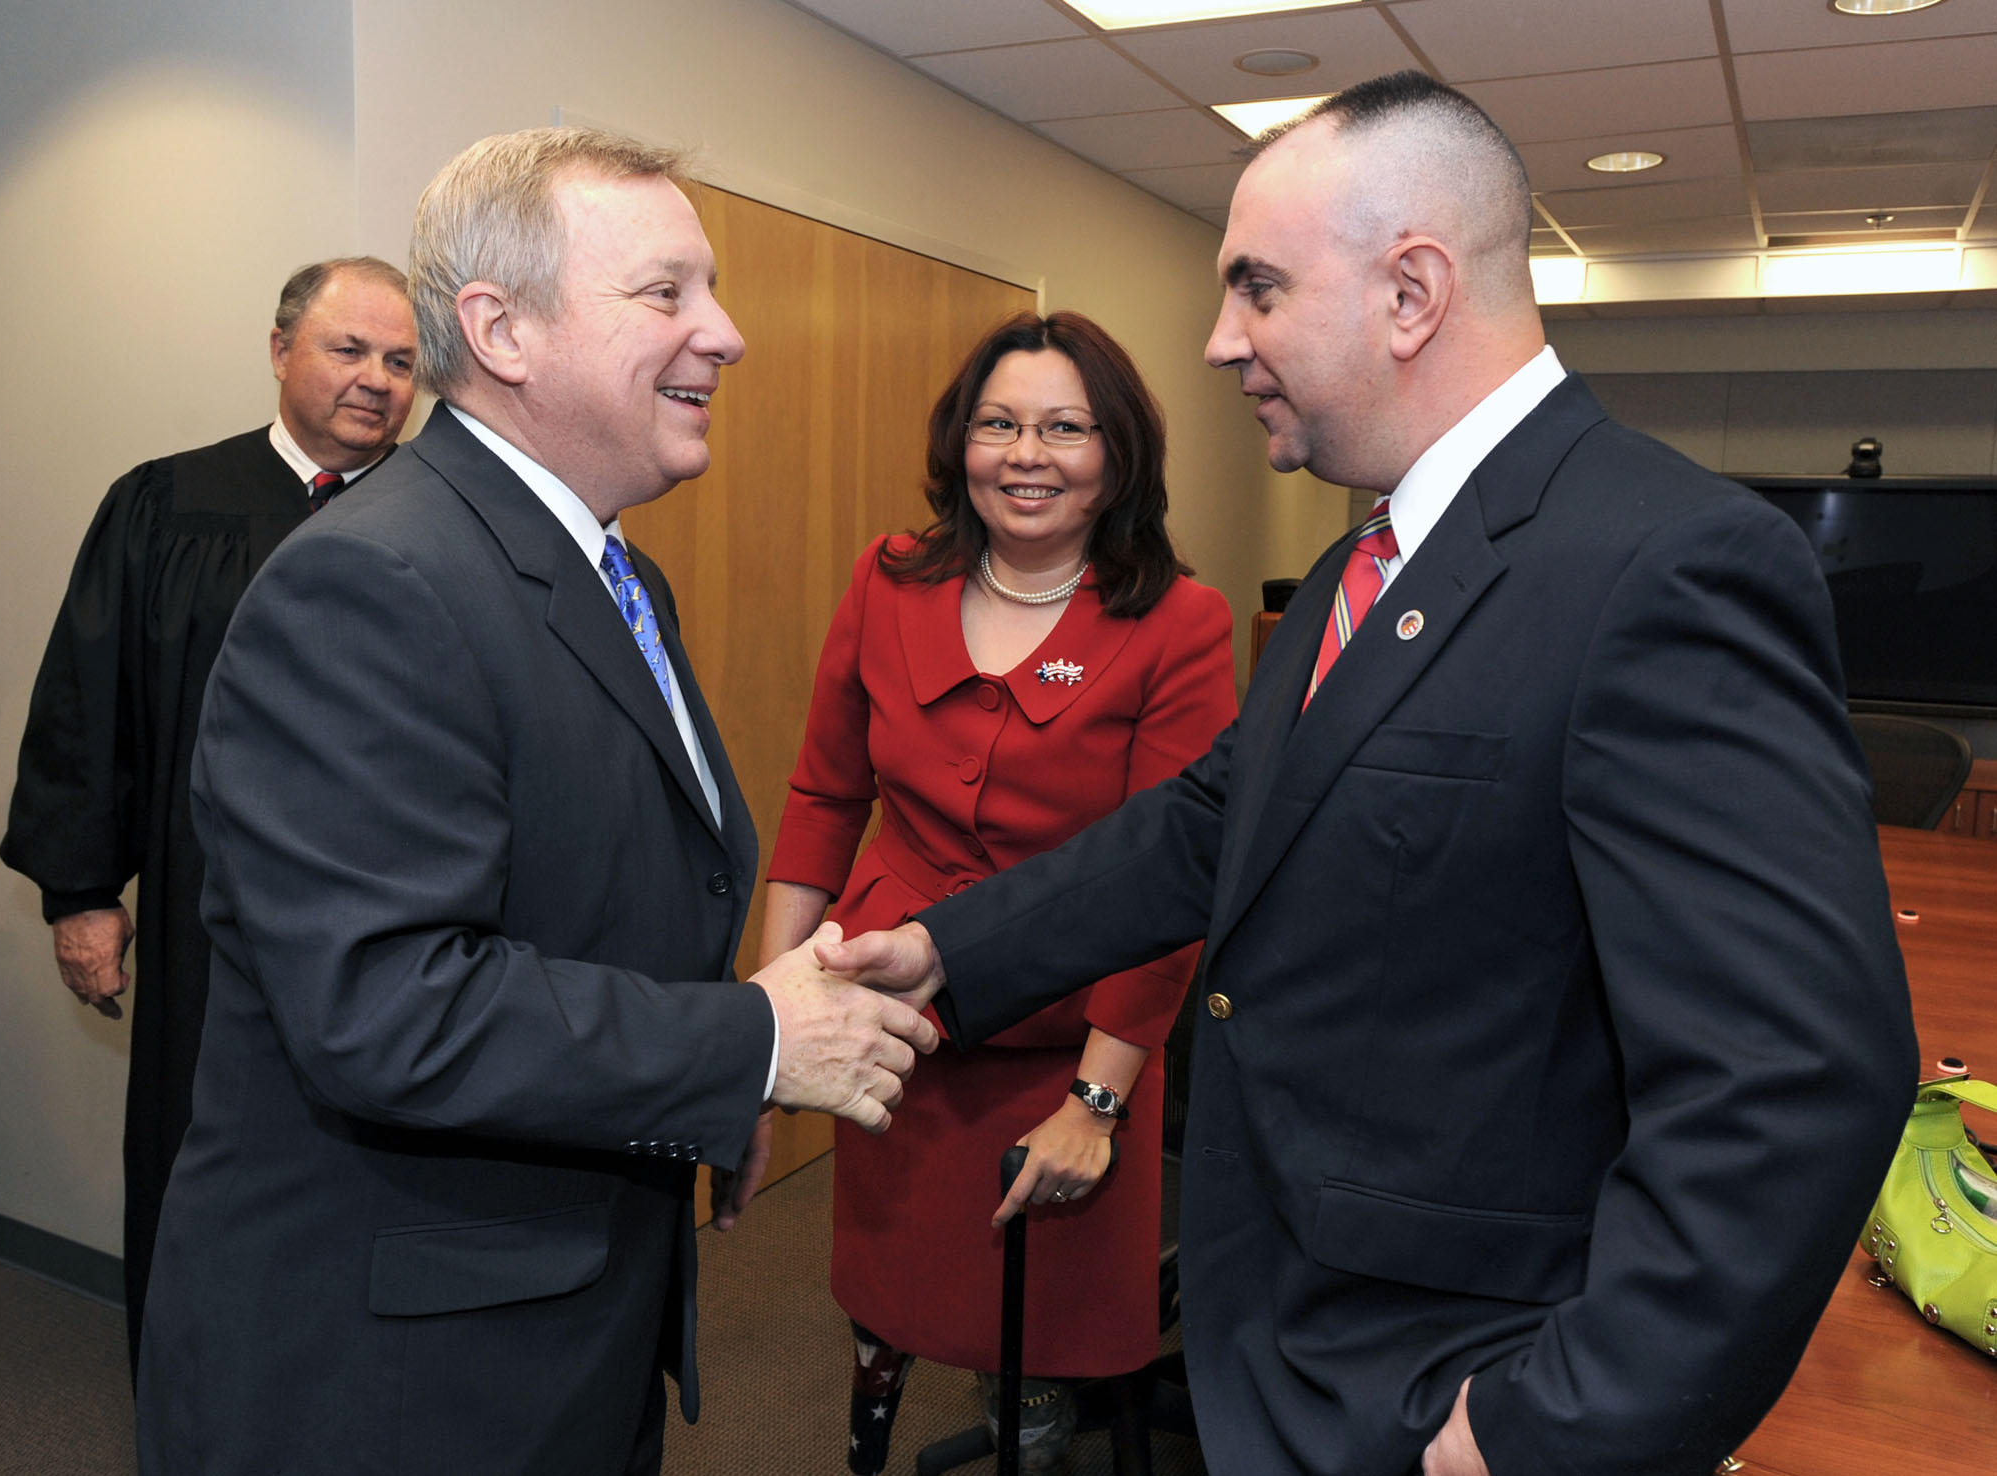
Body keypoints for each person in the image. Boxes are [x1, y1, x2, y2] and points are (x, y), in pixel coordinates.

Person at [826, 71, 1917, 1476]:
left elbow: (1797, 1079)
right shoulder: (1360, 565)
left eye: (1257, 290)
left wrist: (1546, 1430)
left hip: (1459, 1383)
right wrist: (940, 947)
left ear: (1411, 293)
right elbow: (1219, 821)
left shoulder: (1666, 564)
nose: (1221, 343)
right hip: (1288, 1322)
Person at [133, 127, 936, 1476]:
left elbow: (597, 904)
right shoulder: (375, 585)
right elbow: (386, 1004)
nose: (726, 334)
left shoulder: (612, 573)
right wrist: (744, 1044)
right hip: (392, 1381)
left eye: (713, 290)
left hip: (551, 1318)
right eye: (667, 294)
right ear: (503, 332)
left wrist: (710, 1085)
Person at [761, 312, 1234, 1474]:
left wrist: (1100, 1106)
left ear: (1116, 454)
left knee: (1033, 1350)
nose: (1027, 454)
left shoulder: (1179, 622)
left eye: (1066, 428)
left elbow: (1173, 884)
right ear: (959, 444)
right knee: (888, 1311)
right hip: (893, 1032)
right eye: (999, 424)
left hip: (1074, 1046)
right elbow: (823, 799)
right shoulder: (887, 580)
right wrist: (766, 1014)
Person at [0, 256, 417, 1369]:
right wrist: (82, 894)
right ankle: (197, 1403)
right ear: (280, 351)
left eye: (401, 360)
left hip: (402, 927)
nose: (375, 380)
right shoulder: (166, 504)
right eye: (348, 349)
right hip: (204, 918)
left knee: (374, 1176)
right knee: (201, 1160)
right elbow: (91, 707)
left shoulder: (449, 520)